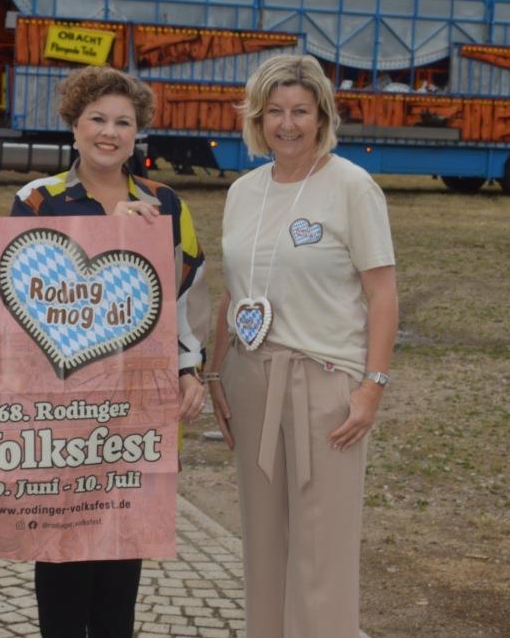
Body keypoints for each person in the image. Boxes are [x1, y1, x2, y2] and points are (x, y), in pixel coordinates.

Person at [10, 65, 209, 638]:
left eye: (123, 122)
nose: (109, 131)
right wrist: (110, 235)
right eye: (96, 118)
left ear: (137, 133)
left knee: (122, 564)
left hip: (135, 410)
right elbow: (14, 299)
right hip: (60, 411)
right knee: (62, 561)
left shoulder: (165, 202)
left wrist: (191, 370)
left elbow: (184, 296)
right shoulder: (37, 201)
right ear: (73, 125)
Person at [206, 54, 399, 637]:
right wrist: (217, 376)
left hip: (324, 382)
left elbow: (383, 295)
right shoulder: (244, 191)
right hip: (251, 377)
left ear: (321, 117)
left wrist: (372, 387)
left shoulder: (350, 187)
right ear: (257, 118)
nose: (287, 124)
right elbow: (233, 292)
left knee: (322, 552)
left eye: (300, 111)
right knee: (264, 544)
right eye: (275, 111)